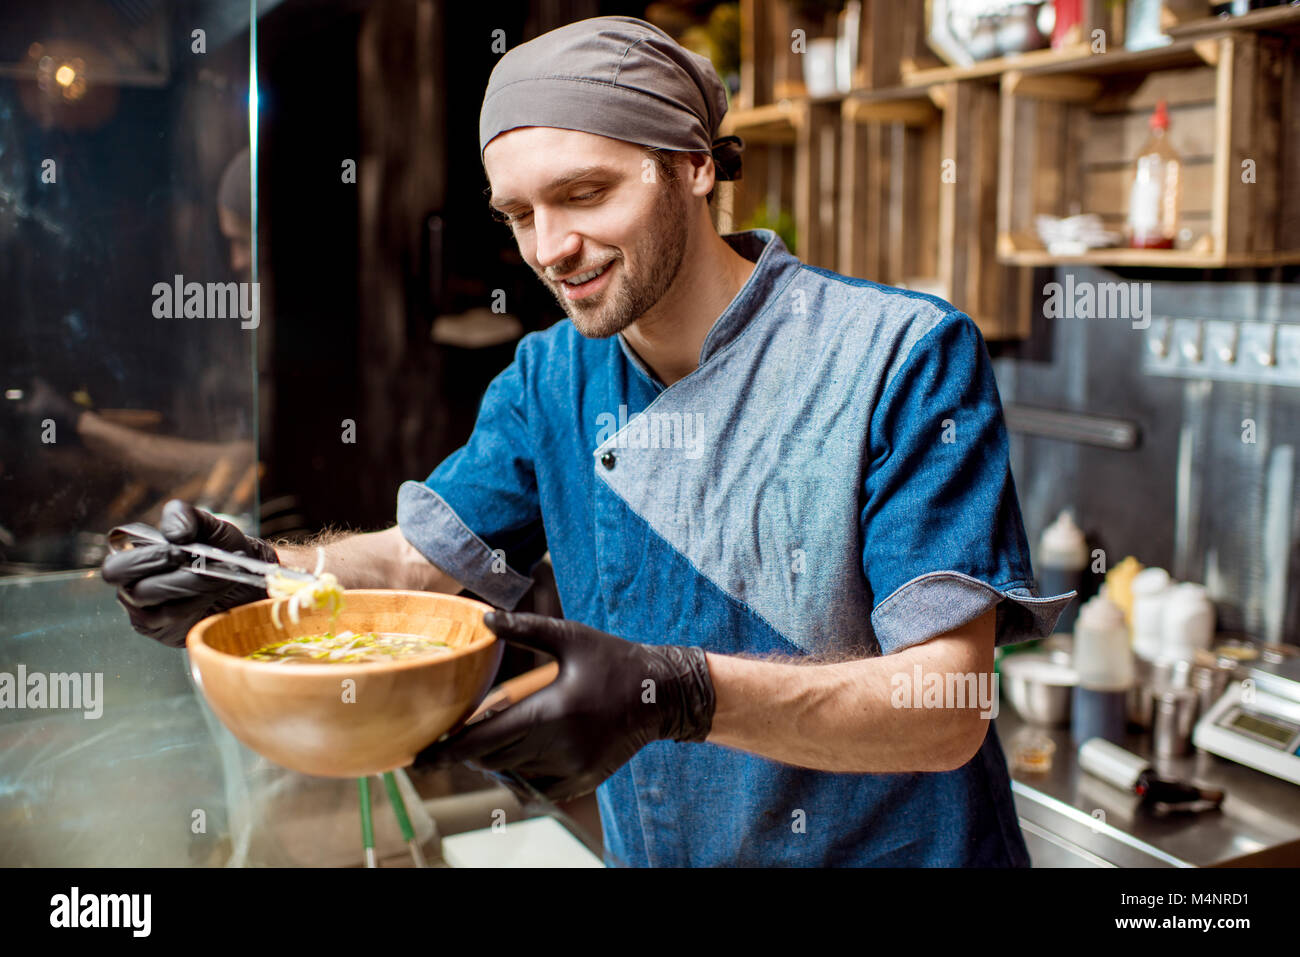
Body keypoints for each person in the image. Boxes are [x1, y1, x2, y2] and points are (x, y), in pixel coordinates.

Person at [103, 16, 1074, 867]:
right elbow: (417, 566)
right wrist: (259, 579)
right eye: (519, 215)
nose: (548, 249)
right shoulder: (549, 381)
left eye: (584, 194)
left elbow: (944, 708)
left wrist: (676, 694)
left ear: (695, 163)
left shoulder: (896, 356)